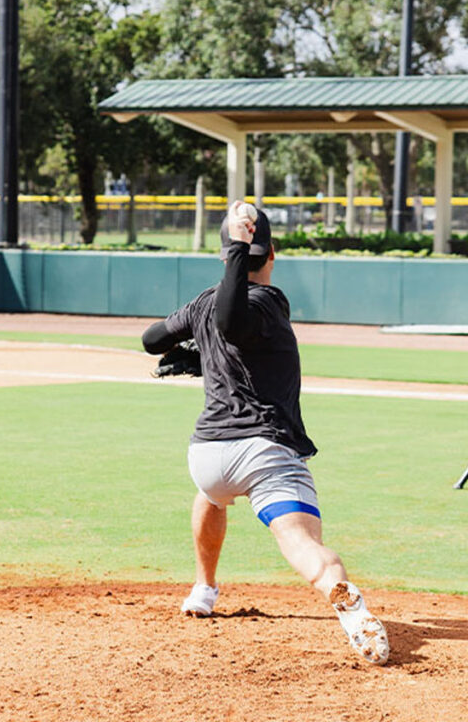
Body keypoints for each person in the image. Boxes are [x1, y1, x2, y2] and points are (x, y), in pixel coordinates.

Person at [141, 200, 389, 666]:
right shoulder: (269, 300)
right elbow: (233, 323)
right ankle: (351, 611)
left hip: (208, 456)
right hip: (263, 451)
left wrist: (199, 350)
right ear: (272, 252)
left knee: (210, 496)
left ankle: (204, 588)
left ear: (221, 257)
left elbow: (153, 339)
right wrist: (241, 249)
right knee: (301, 542)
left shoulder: (203, 303)